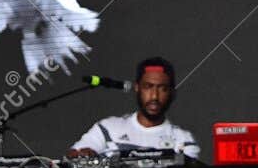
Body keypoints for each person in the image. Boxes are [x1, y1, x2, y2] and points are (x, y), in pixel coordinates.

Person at [67, 57, 199, 159]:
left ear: (171, 92)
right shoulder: (107, 128)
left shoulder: (183, 140)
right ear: (137, 87)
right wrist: (82, 155)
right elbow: (75, 156)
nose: (154, 96)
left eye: (163, 89)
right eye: (148, 87)